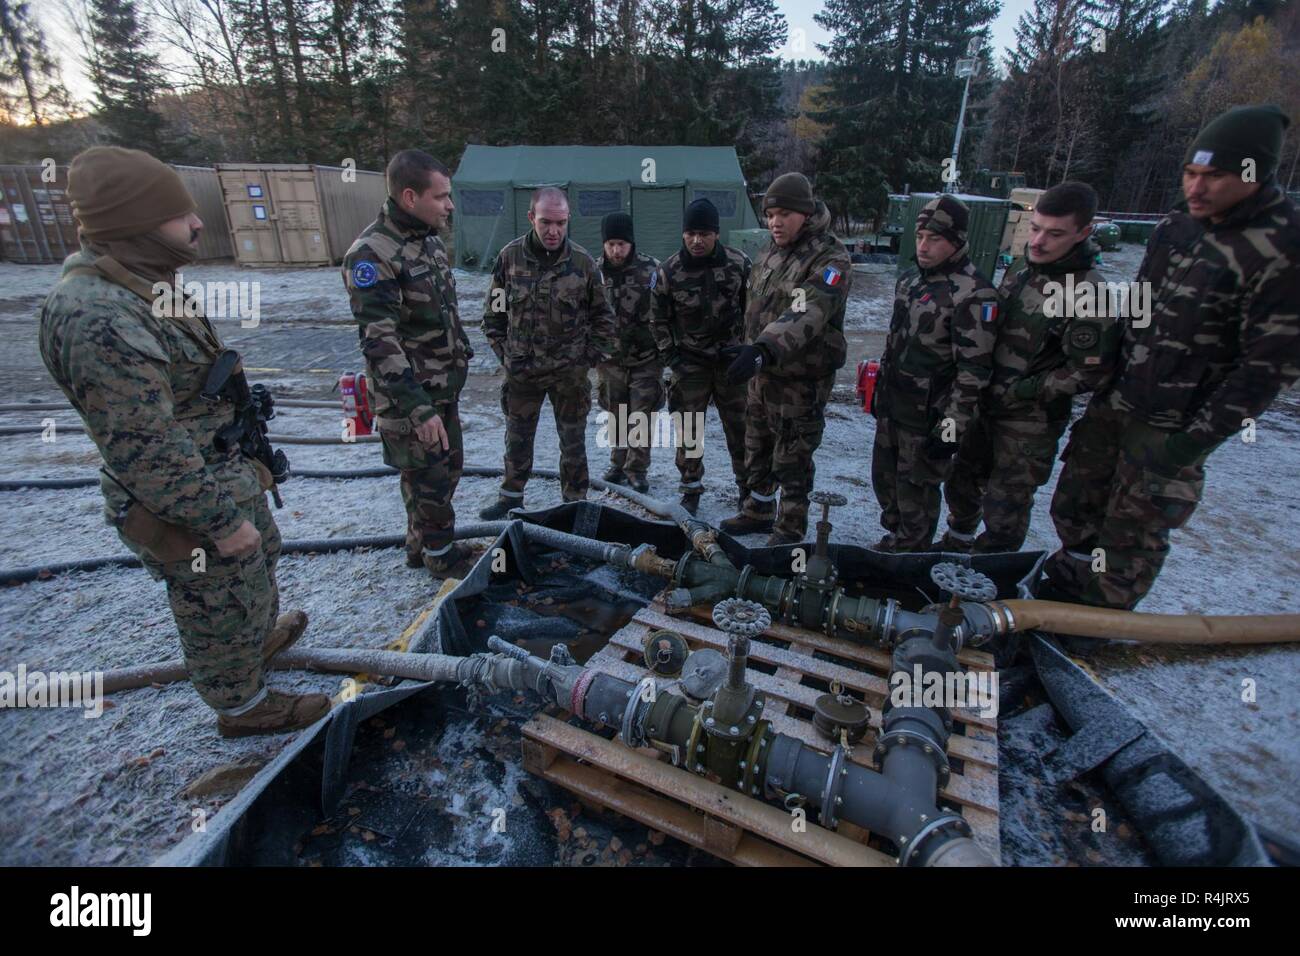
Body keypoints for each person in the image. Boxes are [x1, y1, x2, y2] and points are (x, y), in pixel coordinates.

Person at [39, 146, 328, 737]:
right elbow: (144, 446)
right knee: (215, 599)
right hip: (184, 500)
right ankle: (242, 705)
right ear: (133, 223)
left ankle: (251, 645)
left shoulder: (145, 283)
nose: (198, 224)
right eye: (180, 215)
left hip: (217, 472)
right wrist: (220, 520)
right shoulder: (100, 315)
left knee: (256, 566)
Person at [1042, 105, 1300, 608]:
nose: (1196, 188)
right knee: (1076, 504)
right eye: (1190, 173)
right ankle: (1069, 582)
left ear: (1254, 172)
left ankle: (1100, 621)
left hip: (1174, 422)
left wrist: (1188, 446)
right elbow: (1140, 303)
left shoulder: (1282, 248)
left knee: (1133, 529)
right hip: (1118, 402)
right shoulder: (1177, 226)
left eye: (1214, 176)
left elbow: (1265, 372)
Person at [938, 181, 1119, 553]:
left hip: (1028, 423)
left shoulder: (1088, 292)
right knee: (961, 480)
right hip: (984, 406)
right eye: (1035, 228)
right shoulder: (1022, 269)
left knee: (1006, 503)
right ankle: (955, 545)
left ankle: (991, 576)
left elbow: (1091, 370)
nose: (1038, 241)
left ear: (1084, 232)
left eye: (1054, 234)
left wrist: (1027, 390)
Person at [342, 149, 473, 576]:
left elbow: (442, 312)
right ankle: (440, 558)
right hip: (411, 396)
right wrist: (418, 409)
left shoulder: (428, 242)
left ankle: (420, 546)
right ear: (410, 197)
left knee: (444, 470)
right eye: (442, 197)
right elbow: (380, 342)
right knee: (430, 478)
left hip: (441, 387)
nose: (449, 205)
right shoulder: (372, 254)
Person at [716, 173, 852, 545]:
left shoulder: (831, 257)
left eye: (785, 214)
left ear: (805, 214)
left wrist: (763, 350)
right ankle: (758, 510)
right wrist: (746, 348)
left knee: (792, 455)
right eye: (770, 214)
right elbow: (754, 306)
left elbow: (806, 310)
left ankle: (790, 530)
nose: (775, 222)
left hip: (800, 380)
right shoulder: (770, 251)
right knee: (755, 446)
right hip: (763, 374)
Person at [870, 195, 998, 552]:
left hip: (929, 416)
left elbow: (973, 370)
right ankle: (895, 537)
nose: (923, 246)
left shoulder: (974, 293)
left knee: (917, 490)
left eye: (934, 239)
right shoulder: (912, 281)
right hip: (894, 406)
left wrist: (951, 427)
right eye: (920, 236)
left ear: (956, 241)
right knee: (885, 480)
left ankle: (912, 553)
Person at [479, 187, 616, 519]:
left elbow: (604, 319)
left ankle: (575, 503)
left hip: (568, 376)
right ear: (531, 218)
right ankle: (511, 496)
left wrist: (586, 361)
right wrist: (507, 356)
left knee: (572, 442)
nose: (553, 231)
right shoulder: (509, 259)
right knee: (517, 438)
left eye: (560, 222)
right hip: (522, 373)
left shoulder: (583, 264)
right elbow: (493, 316)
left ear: (568, 219)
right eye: (545, 222)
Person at [650, 198, 751, 513]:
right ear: (683, 234)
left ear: (717, 234)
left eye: (705, 233)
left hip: (731, 365)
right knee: (689, 432)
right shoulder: (668, 272)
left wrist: (749, 351)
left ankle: (748, 489)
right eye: (691, 233)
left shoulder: (740, 264)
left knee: (742, 429)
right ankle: (691, 487)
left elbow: (754, 311)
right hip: (690, 364)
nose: (697, 240)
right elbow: (657, 321)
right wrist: (673, 359)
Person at [595, 212, 661, 494]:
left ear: (631, 243)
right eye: (610, 244)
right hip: (610, 361)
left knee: (641, 415)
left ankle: (637, 469)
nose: (616, 250)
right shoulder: (594, 271)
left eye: (621, 244)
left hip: (646, 358)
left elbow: (666, 309)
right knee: (615, 413)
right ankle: (617, 463)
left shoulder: (652, 270)